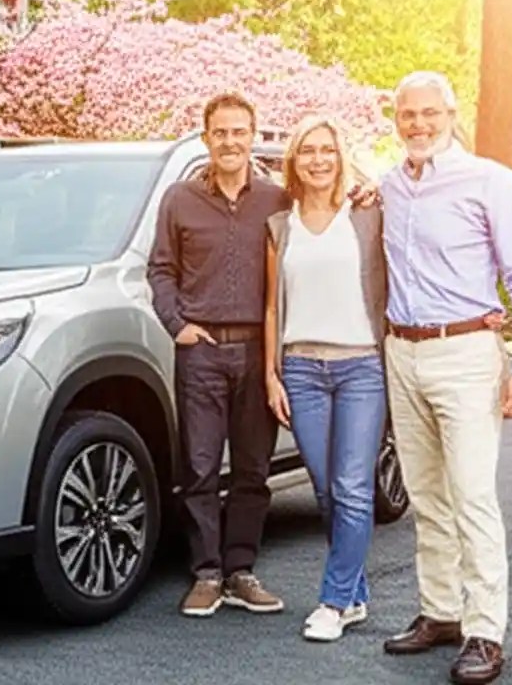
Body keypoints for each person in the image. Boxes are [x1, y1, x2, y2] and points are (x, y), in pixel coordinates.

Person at [378, 71, 512, 685]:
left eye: (430, 114)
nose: (418, 125)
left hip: (468, 352)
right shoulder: (388, 186)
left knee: (472, 495)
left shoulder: (491, 183)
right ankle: (441, 611)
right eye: (407, 115)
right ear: (395, 119)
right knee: (425, 496)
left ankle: (484, 631)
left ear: (451, 116)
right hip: (403, 352)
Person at [146, 92, 286, 617]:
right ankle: (206, 574)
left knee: (253, 466)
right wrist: (177, 325)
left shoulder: (277, 201)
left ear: (253, 136)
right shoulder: (179, 199)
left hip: (257, 352)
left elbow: (325, 218)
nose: (230, 141)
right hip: (201, 352)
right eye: (220, 132)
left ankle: (241, 571)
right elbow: (161, 269)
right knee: (201, 467)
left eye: (239, 131)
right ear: (207, 138)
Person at [261, 114, 388, 641]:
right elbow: (271, 308)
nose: (318, 159)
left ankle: (333, 602)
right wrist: (272, 374)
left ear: (341, 157)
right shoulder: (280, 227)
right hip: (301, 369)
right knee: (326, 491)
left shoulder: (367, 215)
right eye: (308, 151)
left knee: (354, 489)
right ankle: (355, 594)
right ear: (295, 161)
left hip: (361, 366)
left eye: (327, 150)